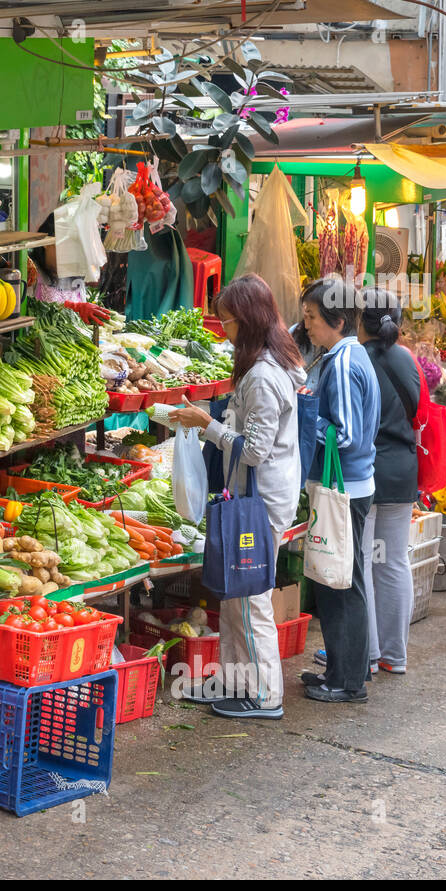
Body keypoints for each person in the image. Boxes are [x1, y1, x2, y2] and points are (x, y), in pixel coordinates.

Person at [167, 274, 306, 720]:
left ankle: (265, 695)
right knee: (233, 596)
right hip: (249, 498)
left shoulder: (264, 377)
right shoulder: (264, 364)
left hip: (260, 503)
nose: (222, 329)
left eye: (226, 321)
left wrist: (207, 426)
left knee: (249, 601)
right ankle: (234, 682)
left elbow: (256, 450)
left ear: (245, 321)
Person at [299, 278, 380, 703]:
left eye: (312, 317)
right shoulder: (343, 356)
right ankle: (341, 670)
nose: (306, 325)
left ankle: (347, 682)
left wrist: (303, 410)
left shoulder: (346, 363)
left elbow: (345, 435)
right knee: (337, 579)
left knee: (342, 582)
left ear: (339, 319)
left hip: (344, 487)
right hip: (346, 485)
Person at [358, 290, 421, 675]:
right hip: (402, 469)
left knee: (363, 561)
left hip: (367, 471)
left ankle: (364, 651)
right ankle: (394, 656)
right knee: (394, 562)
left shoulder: (355, 359)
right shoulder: (406, 358)